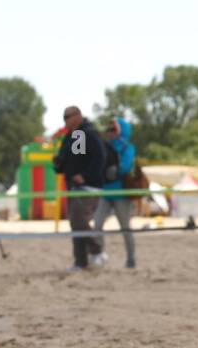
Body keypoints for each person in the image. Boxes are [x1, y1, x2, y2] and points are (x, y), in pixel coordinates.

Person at [54, 105, 107, 271]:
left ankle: (97, 249)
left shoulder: (86, 133)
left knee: (79, 221)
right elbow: (75, 160)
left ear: (77, 116)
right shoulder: (74, 135)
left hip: (87, 187)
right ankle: (80, 262)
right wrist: (59, 164)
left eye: (67, 117)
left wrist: (85, 176)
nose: (65, 120)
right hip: (74, 186)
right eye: (64, 117)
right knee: (75, 224)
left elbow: (99, 157)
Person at [93, 117, 138, 269]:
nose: (110, 132)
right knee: (97, 224)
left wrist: (116, 170)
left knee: (125, 227)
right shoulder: (105, 146)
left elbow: (125, 166)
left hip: (122, 194)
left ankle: (131, 259)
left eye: (114, 129)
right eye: (109, 129)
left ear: (122, 130)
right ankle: (99, 255)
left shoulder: (128, 147)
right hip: (105, 192)